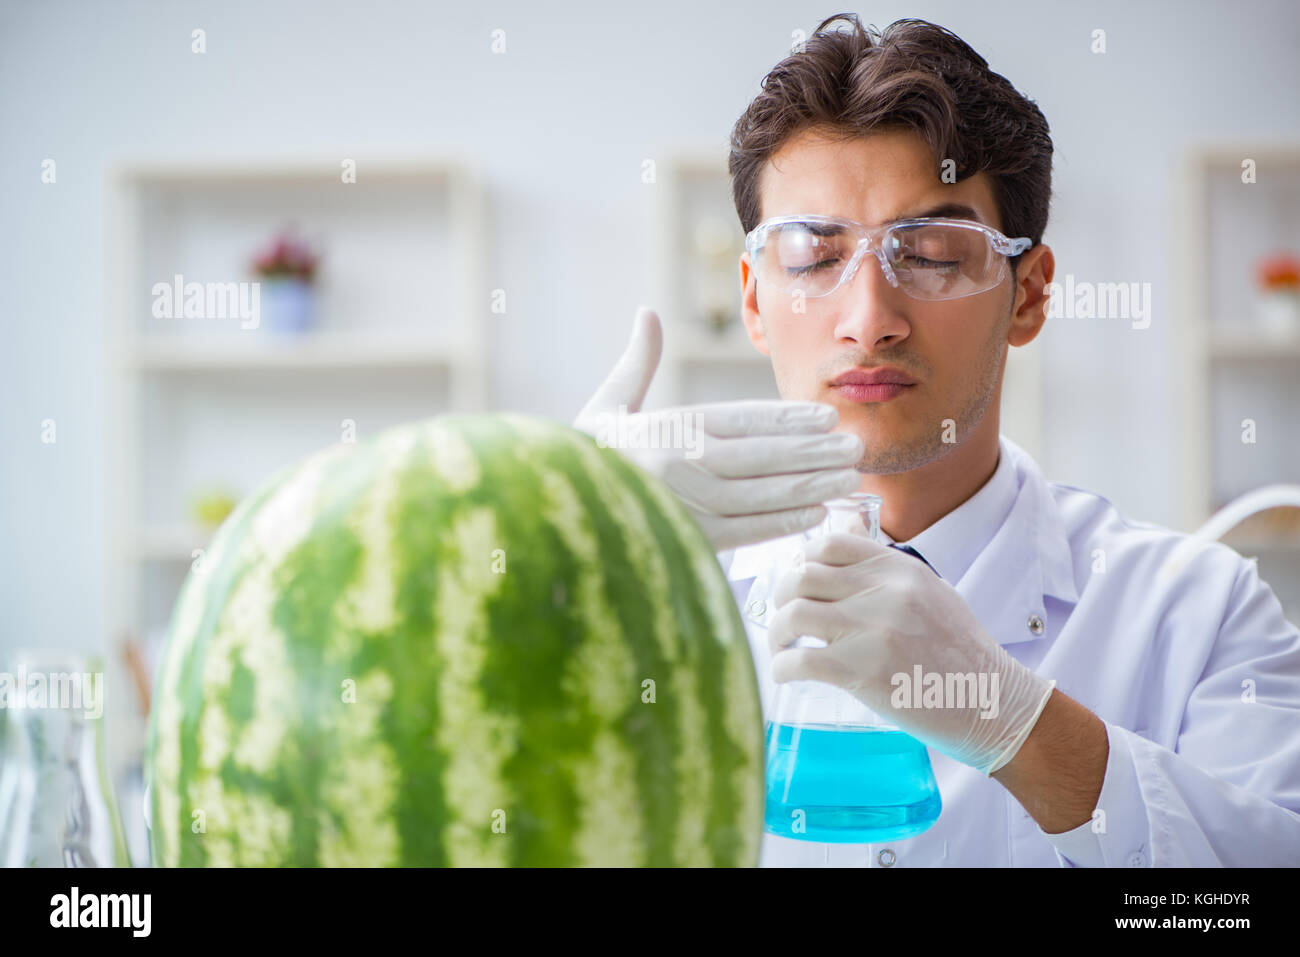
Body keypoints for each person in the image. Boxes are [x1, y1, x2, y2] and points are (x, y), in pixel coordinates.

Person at [575, 15, 1300, 866]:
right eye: (813, 255)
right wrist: (554, 545)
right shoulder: (650, 610)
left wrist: (1017, 720)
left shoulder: (1200, 613)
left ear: (1028, 294)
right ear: (754, 300)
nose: (870, 320)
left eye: (930, 252)